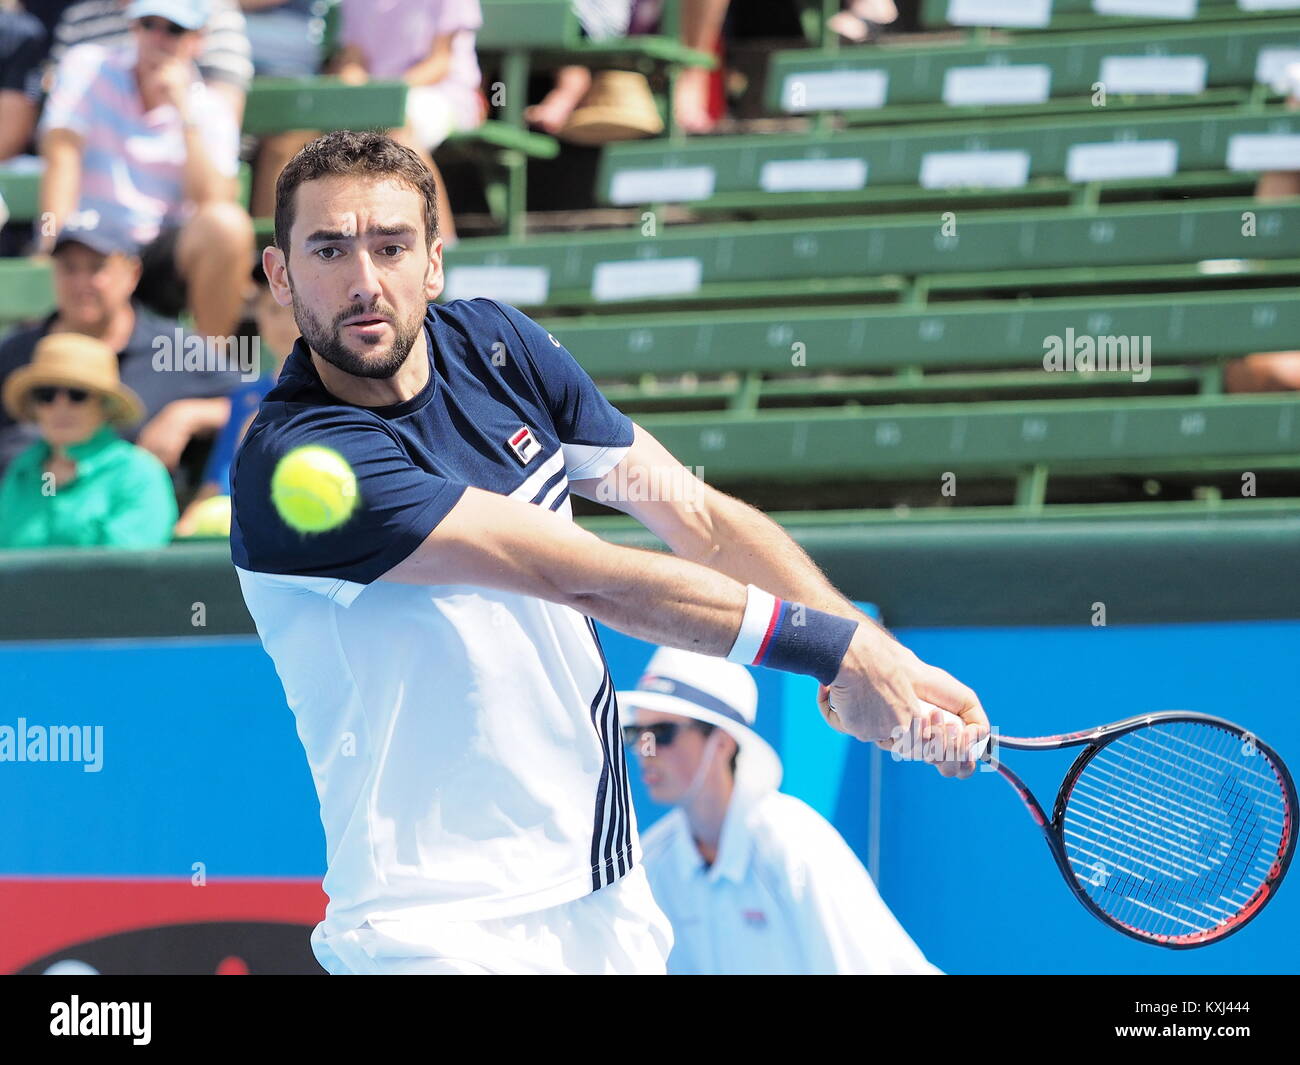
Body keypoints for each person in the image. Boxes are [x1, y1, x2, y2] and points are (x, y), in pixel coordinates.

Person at [229, 130, 987, 976]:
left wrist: (879, 658)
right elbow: (576, 571)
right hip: (429, 926)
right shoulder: (298, 461)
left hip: (604, 897)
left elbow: (695, 520)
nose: (364, 280)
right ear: (281, 274)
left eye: (391, 245)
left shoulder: (497, 349)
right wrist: (833, 651)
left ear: (433, 263)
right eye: (329, 249)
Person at [623, 646, 943, 975]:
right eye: (635, 734)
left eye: (661, 734)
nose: (644, 752)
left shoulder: (793, 845)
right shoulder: (651, 863)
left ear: (721, 743)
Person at [37, 0, 254, 340]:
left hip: (159, 253)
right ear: (133, 28)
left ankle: (209, 369)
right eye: (147, 24)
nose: (157, 38)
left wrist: (184, 113)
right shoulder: (86, 65)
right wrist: (49, 236)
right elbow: (61, 155)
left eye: (173, 29)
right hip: (88, 241)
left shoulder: (207, 107)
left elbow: (214, 200)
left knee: (226, 226)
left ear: (197, 39)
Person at [0, 212, 244, 479]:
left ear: (133, 273)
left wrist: (190, 414)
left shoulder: (171, 348)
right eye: (69, 268)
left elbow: (257, 401)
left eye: (97, 267)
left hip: (126, 512)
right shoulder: (15, 352)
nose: (82, 283)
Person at [0, 332, 177, 548]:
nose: (60, 407)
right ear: (35, 406)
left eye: (77, 394)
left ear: (104, 406)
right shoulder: (21, 470)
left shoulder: (138, 474)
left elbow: (131, 569)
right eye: (46, 394)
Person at [330, 0, 486, 244]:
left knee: (397, 131)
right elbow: (353, 58)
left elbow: (440, 63)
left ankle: (443, 247)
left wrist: (383, 98)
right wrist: (358, 90)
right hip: (378, 100)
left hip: (444, 95)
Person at [173, 259, 298, 537]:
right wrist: (184, 530)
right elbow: (216, 484)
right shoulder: (244, 397)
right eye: (273, 310)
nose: (282, 322)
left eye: (292, 310)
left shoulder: (343, 389)